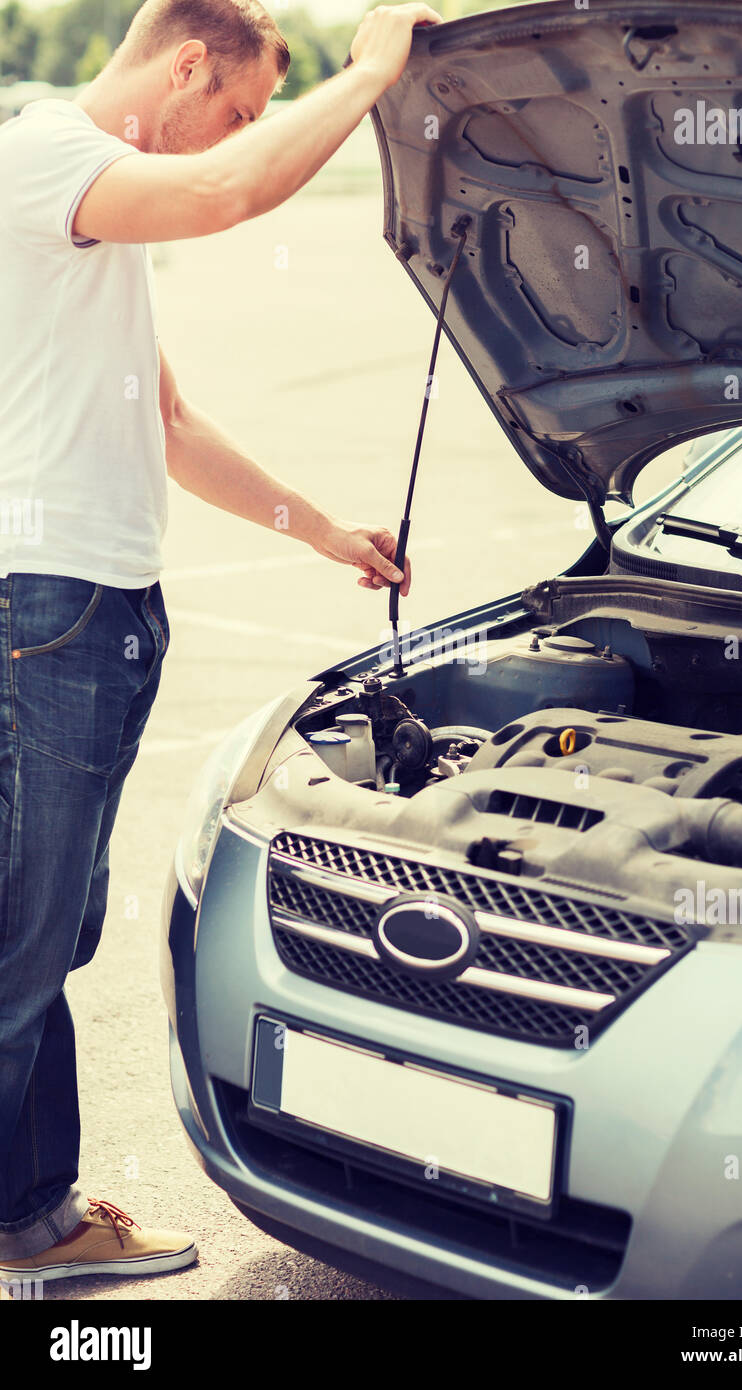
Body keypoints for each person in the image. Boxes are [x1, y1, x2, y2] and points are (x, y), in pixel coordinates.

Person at [0, 0, 441, 1286]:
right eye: (239, 106)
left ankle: (31, 1218)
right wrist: (369, 76)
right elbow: (233, 192)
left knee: (45, 939)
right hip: (49, 613)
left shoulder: (83, 210)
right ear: (187, 65)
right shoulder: (47, 159)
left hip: (92, 616)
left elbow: (173, 421)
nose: (240, 133)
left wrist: (321, 533)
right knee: (19, 952)